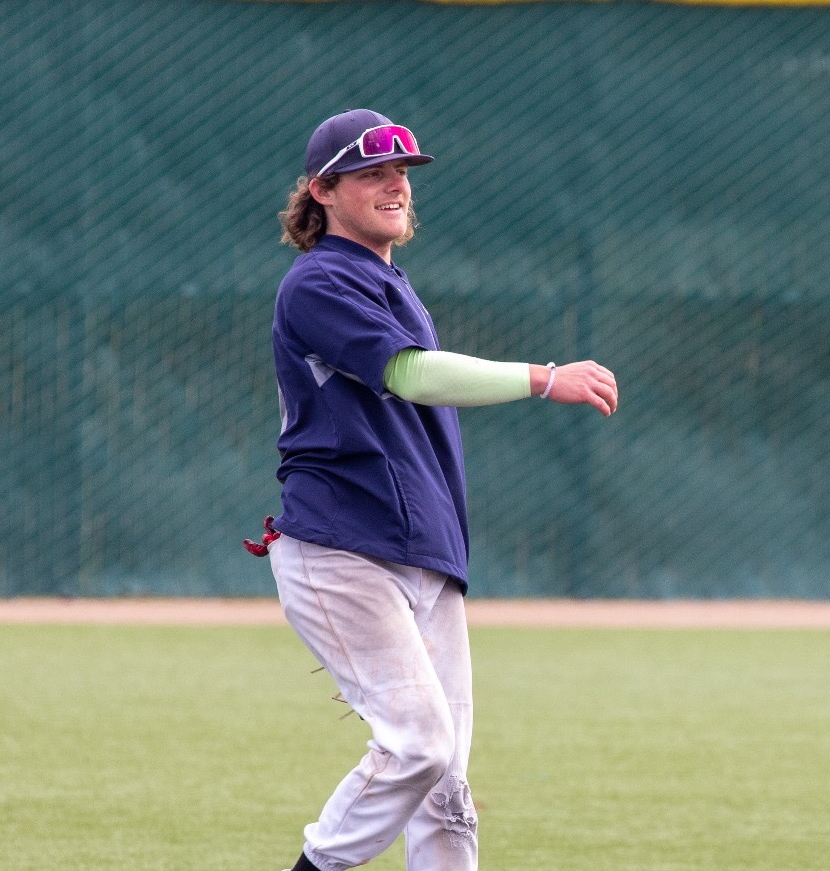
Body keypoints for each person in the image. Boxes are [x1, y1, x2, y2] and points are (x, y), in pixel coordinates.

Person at [262, 109, 618, 871]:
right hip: (343, 548)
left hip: (421, 551)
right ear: (322, 191)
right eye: (371, 174)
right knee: (418, 744)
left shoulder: (383, 279)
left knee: (446, 788)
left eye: (401, 172)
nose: (395, 184)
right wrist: (543, 377)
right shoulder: (321, 280)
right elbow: (410, 374)